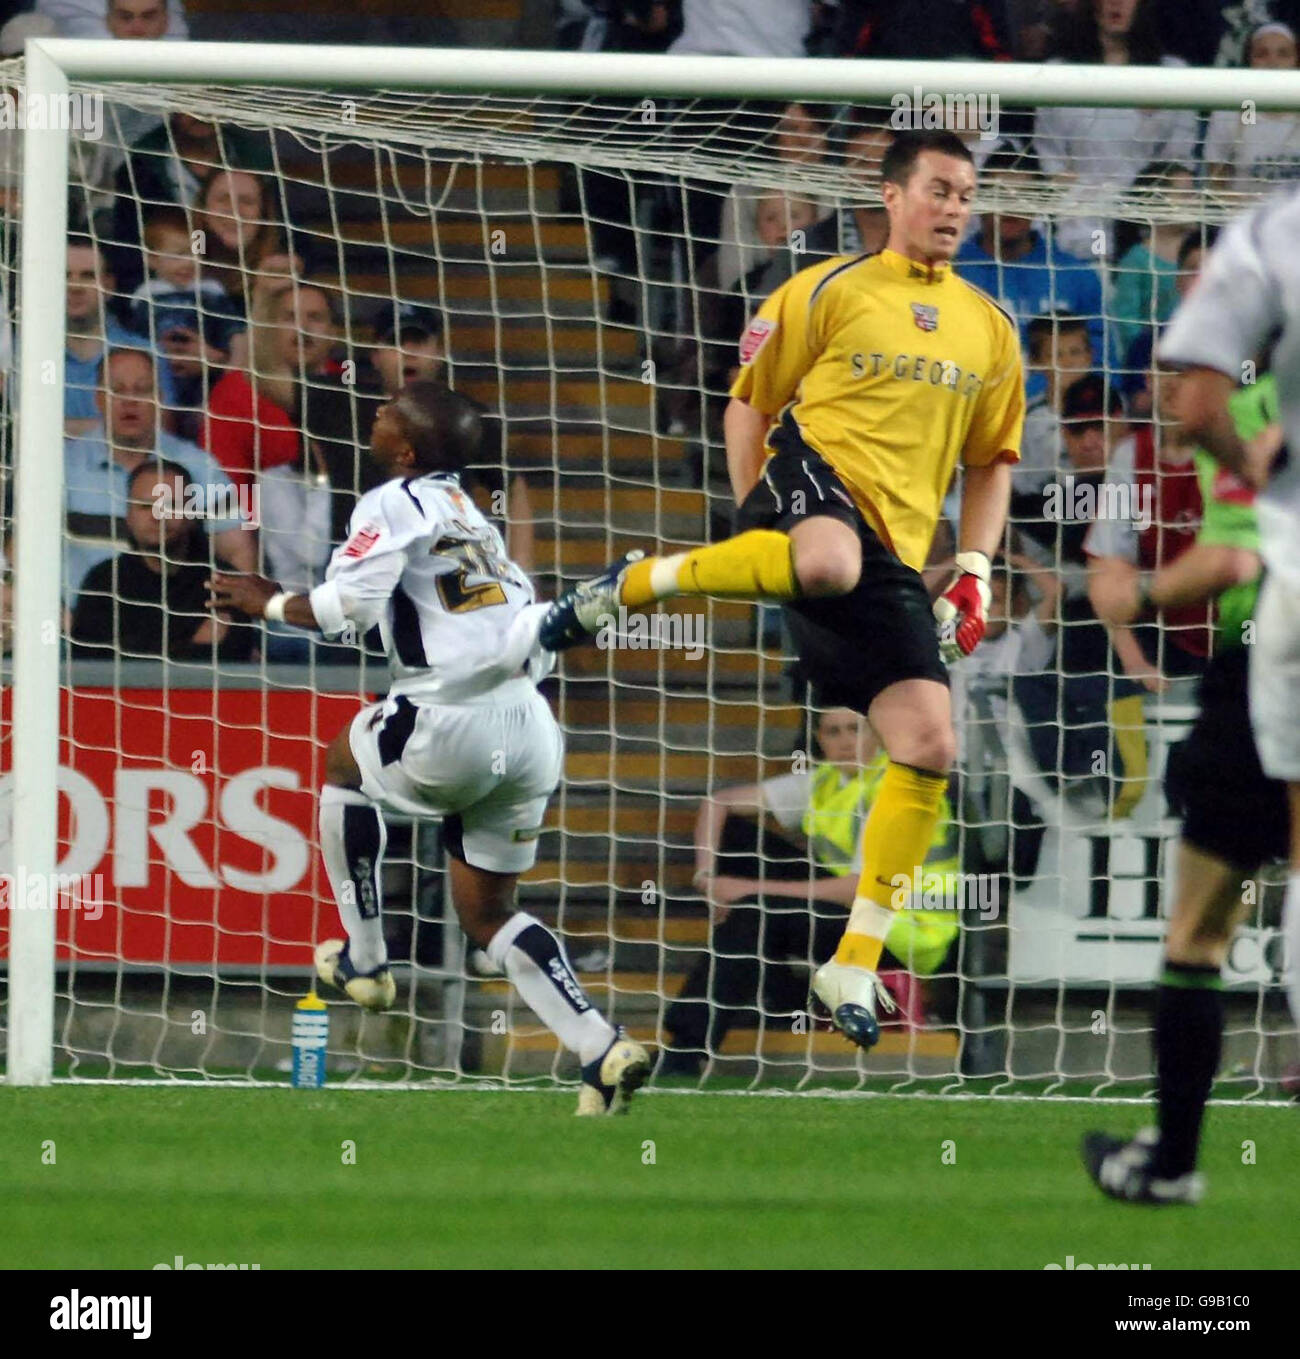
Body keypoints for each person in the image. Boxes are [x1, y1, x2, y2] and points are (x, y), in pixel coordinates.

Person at [541, 129, 1025, 1051]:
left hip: (892, 547)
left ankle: (857, 954)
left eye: (966, 193)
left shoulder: (991, 329)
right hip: (810, 487)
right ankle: (638, 581)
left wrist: (975, 566)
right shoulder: (826, 289)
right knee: (826, 560)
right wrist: (754, 518)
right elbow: (748, 401)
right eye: (938, 189)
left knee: (930, 743)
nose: (955, 207)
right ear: (891, 196)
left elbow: (992, 463)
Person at [207, 382, 651, 1115]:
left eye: (390, 410)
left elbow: (344, 609)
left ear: (406, 449)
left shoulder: (393, 499)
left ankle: (366, 957)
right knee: (487, 913)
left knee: (343, 759)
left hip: (448, 717)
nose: (377, 410)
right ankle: (601, 1047)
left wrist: (269, 601)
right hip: (531, 727)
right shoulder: (472, 516)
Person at [1085, 183, 1300, 1199]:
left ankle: (1171, 1162)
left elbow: (1232, 549)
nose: (1164, 389)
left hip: (1279, 635)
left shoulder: (1270, 236)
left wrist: (1139, 591)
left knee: (1199, 922)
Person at [661, 706, 962, 1073]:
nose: (845, 742)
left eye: (855, 730)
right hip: (853, 916)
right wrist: (706, 880)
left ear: (879, 737)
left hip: (902, 933)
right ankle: (784, 999)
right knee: (736, 836)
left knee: (757, 911)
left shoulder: (896, 789)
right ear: (819, 739)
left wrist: (744, 888)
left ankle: (686, 1051)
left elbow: (858, 891)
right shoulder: (827, 782)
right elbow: (717, 803)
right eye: (833, 732)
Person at [62, 346, 254, 606]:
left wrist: (232, 622)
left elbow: (237, 551)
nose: (130, 401)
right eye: (117, 390)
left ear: (160, 398)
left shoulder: (199, 466)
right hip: (84, 626)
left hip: (175, 626)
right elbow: (23, 553)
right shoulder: (65, 465)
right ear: (98, 399)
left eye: (142, 390)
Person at [1032, 0, 1198, 258]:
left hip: (1149, 231)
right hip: (1080, 227)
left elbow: (1178, 162)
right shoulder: (1059, 73)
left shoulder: (1171, 74)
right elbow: (1051, 160)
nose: (1116, 3)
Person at [72, 459, 256, 662]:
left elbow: (234, 658)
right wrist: (192, 646)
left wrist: (149, 647)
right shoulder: (103, 581)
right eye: (145, 506)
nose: (157, 516)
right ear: (128, 516)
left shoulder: (225, 583)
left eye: (170, 506)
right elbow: (89, 662)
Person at [1204, 21, 1300, 193]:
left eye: (1283, 54)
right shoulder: (1234, 112)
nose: (1273, 62)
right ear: (1249, 60)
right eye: (1262, 54)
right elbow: (1216, 184)